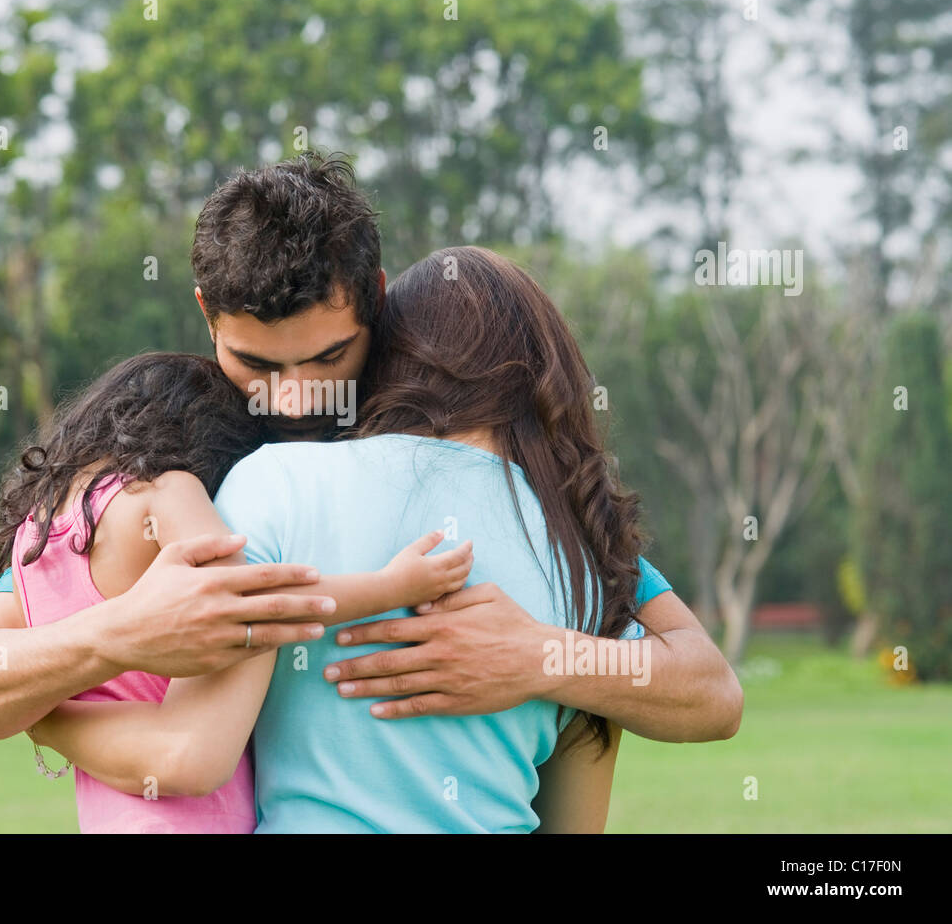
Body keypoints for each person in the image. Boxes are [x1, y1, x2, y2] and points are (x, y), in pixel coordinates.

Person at [0, 153, 741, 760]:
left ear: (377, 299)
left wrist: (536, 657)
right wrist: (122, 633)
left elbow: (706, 687)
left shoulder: (442, 445)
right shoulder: (182, 452)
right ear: (207, 314)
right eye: (258, 364)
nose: (293, 400)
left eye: (326, 358)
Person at [33, 246, 673, 832]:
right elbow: (695, 701)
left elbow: (190, 746)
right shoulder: (586, 552)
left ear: (389, 354)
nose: (294, 397)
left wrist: (44, 713)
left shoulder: (271, 484)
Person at [0, 351, 472, 832]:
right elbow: (250, 604)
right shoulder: (166, 490)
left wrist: (41, 721)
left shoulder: (32, 540)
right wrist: (390, 587)